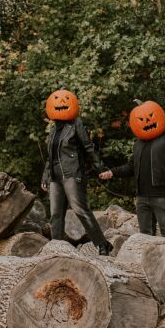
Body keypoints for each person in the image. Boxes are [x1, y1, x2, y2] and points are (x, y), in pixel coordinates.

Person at [41, 88, 112, 255]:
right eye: (57, 99)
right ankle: (56, 248)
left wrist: (101, 168)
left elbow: (88, 147)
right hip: (55, 175)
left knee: (80, 210)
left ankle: (102, 244)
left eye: (65, 99)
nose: (61, 102)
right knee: (56, 214)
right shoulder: (53, 130)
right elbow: (49, 156)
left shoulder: (76, 124)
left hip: (72, 173)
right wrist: (45, 177)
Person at [99, 100, 165, 238]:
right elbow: (131, 167)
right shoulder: (138, 144)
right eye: (141, 119)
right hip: (142, 198)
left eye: (150, 116)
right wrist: (112, 172)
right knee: (145, 236)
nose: (146, 121)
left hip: (162, 196)